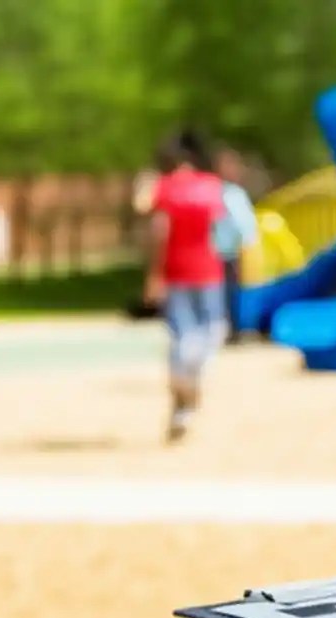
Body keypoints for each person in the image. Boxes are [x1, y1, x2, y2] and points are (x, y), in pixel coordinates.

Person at [144, 132, 227, 442]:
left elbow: (159, 232)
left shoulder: (164, 189)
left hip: (176, 271)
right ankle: (194, 376)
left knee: (182, 333)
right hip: (208, 270)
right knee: (213, 329)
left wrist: (154, 274)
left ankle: (182, 387)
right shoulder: (211, 187)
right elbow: (220, 233)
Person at [213, 148, 259, 344]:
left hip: (234, 250)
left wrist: (249, 242)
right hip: (218, 250)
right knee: (222, 291)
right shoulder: (217, 192)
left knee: (234, 290)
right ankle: (228, 328)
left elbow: (245, 223)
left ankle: (237, 327)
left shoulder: (236, 193)